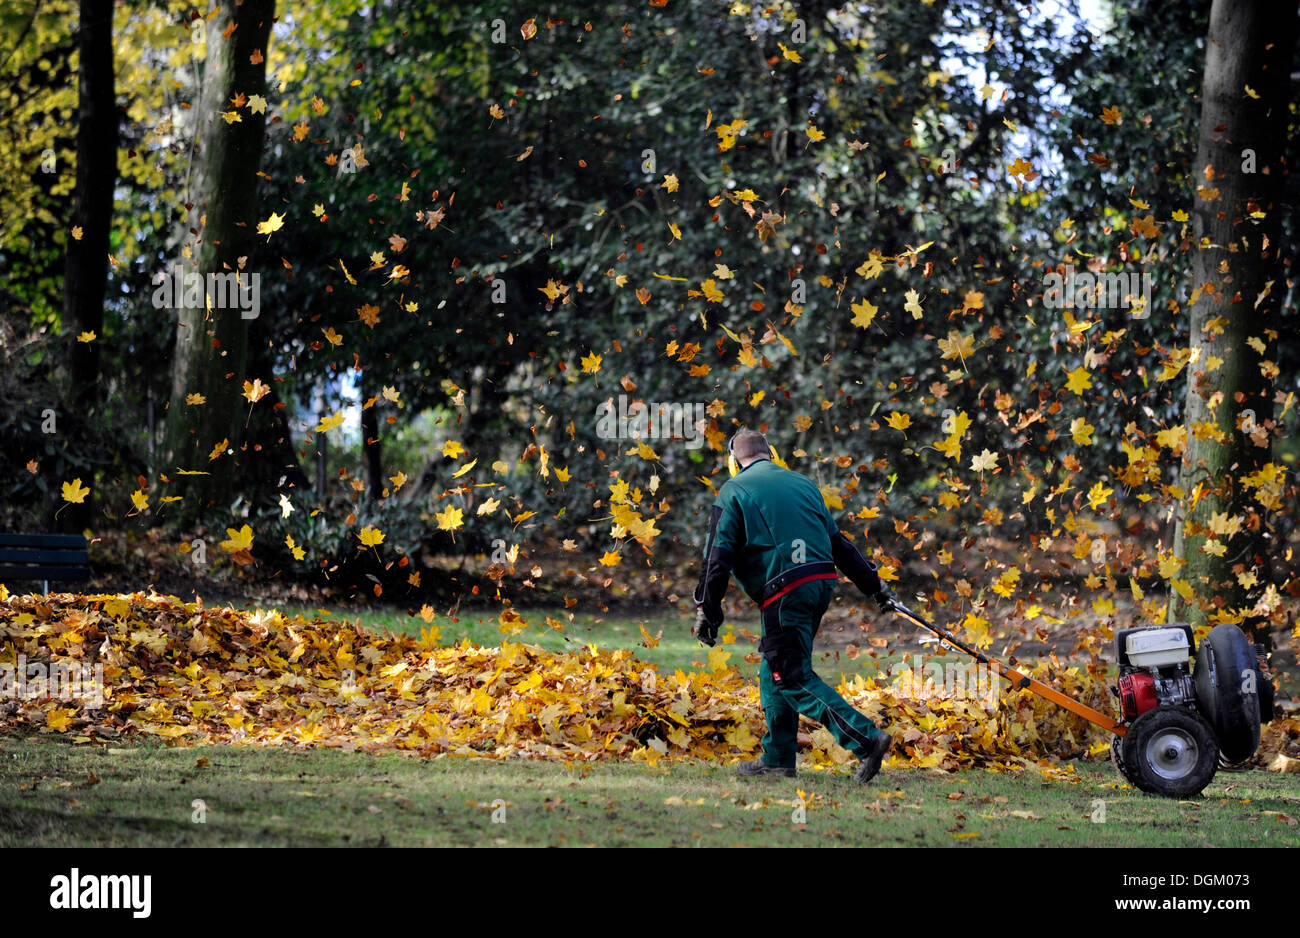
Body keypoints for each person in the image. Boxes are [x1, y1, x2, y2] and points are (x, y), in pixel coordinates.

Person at [691, 428, 896, 783]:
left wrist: (708, 610)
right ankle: (778, 759)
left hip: (785, 590)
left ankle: (866, 738)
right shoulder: (804, 485)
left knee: (790, 676)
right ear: (772, 455)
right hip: (819, 584)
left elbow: (716, 558)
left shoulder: (733, 490)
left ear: (733, 461)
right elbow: (840, 545)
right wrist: (874, 586)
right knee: (777, 664)